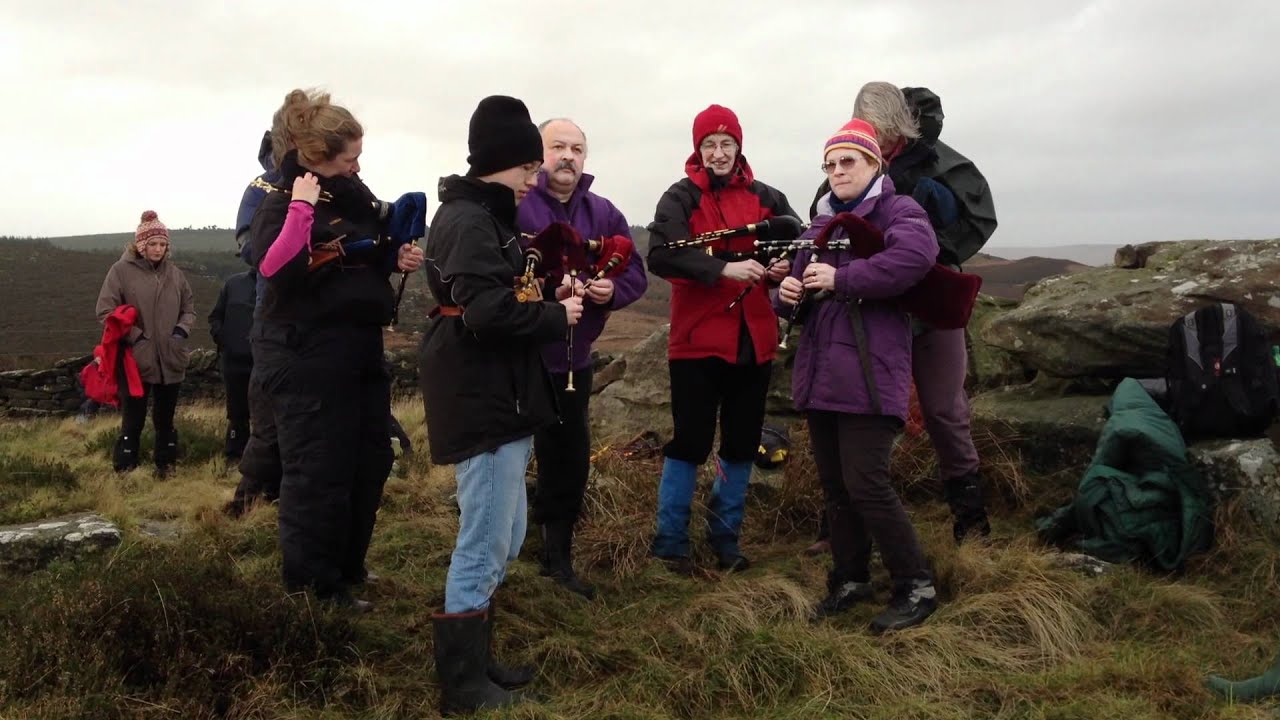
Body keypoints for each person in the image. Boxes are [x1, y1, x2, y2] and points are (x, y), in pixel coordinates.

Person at [420, 95, 584, 716]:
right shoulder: (468, 220)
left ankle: (477, 655)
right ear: (500, 162)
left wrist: (544, 291)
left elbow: (493, 294)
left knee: (507, 532)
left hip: (504, 395)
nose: (534, 177)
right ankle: (462, 687)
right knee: (485, 537)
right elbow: (485, 314)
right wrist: (553, 314)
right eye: (526, 166)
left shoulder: (489, 217)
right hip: (483, 398)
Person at [248, 88, 424, 610]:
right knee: (318, 468)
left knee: (370, 458)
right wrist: (301, 206)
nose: (357, 165)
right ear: (314, 157)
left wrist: (395, 257)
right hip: (303, 351)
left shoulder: (353, 195)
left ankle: (347, 570)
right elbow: (277, 268)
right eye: (349, 157)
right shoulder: (279, 200)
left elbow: (355, 257)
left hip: (358, 346)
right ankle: (314, 591)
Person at [806, 82, 999, 552]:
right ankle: (842, 528)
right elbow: (820, 229)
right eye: (871, 131)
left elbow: (976, 220)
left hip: (931, 311)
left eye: (886, 132)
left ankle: (970, 523)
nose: (879, 140)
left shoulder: (941, 165)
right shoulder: (848, 166)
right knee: (853, 408)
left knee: (944, 410)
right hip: (868, 314)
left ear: (902, 128)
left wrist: (938, 237)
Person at [777, 118, 940, 633]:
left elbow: (916, 257)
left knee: (867, 483)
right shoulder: (818, 223)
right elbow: (794, 285)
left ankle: (916, 584)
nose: (838, 171)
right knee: (836, 487)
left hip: (871, 371)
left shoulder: (898, 210)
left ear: (874, 164)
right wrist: (783, 295)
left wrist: (842, 277)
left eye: (848, 161)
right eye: (830, 164)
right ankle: (850, 579)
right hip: (822, 371)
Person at [646, 104, 799, 574]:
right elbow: (662, 255)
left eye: (726, 144)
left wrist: (782, 268)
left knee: (741, 441)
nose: (718, 153)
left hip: (754, 339)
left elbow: (795, 241)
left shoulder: (768, 196)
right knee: (689, 442)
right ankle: (670, 541)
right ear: (698, 149)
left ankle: (725, 536)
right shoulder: (679, 198)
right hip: (695, 343)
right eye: (709, 145)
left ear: (739, 147)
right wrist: (722, 269)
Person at [515, 117, 648, 599]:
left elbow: (636, 272)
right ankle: (502, 546)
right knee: (506, 456)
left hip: (575, 360)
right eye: (557, 147)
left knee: (568, 460)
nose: (567, 156)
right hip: (519, 356)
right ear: (541, 153)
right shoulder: (519, 203)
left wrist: (612, 290)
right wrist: (549, 290)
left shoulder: (604, 212)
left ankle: (558, 558)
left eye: (576, 148)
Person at [94, 211, 195, 476]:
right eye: (152, 244)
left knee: (165, 418)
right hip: (135, 360)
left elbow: (189, 309)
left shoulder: (175, 274)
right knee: (133, 418)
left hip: (171, 357)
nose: (158, 249)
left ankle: (166, 465)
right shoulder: (120, 272)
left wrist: (180, 333)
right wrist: (135, 337)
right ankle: (126, 467)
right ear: (140, 244)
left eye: (163, 244)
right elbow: (105, 311)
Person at [208, 268, 257, 464]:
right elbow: (215, 317)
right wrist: (223, 339)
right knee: (237, 414)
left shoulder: (277, 282)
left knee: (267, 416)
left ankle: (262, 462)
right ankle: (234, 458)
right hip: (234, 362)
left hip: (266, 362)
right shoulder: (232, 283)